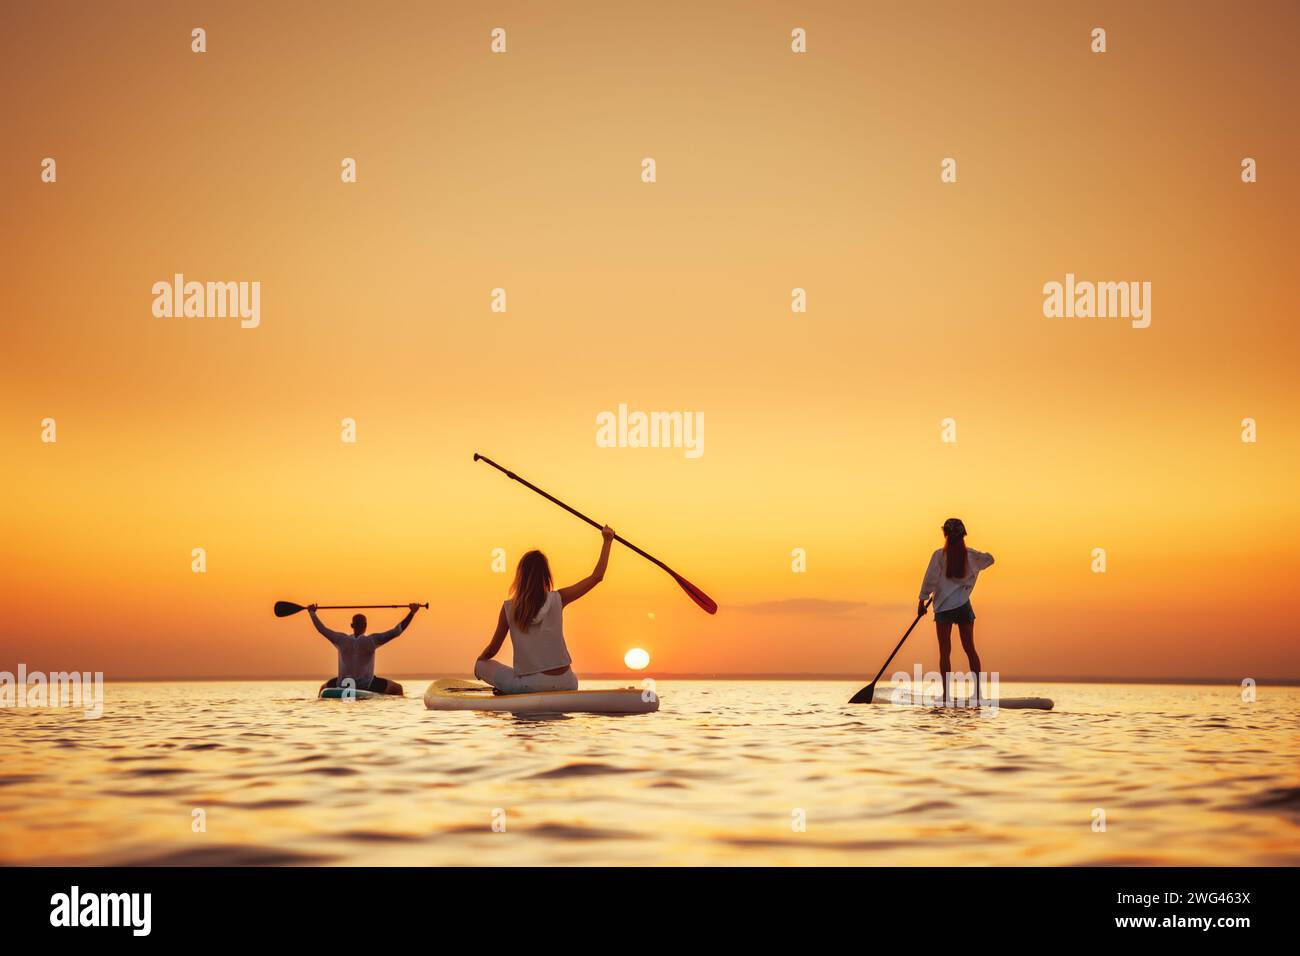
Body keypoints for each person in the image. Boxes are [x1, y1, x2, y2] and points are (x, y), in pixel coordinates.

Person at [475, 524, 615, 694]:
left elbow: (492, 649)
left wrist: (480, 660)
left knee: (481, 665)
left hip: (532, 686)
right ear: (546, 575)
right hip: (567, 682)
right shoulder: (559, 598)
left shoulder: (508, 608)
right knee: (521, 676)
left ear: (521, 576)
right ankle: (513, 687)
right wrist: (607, 541)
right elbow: (597, 577)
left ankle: (508, 688)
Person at [918, 518, 994, 703]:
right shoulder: (971, 556)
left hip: (944, 608)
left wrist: (922, 600)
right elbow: (990, 559)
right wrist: (972, 572)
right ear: (963, 535)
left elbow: (930, 579)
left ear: (945, 535)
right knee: (970, 649)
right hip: (963, 606)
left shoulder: (939, 556)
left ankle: (946, 695)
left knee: (945, 652)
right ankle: (978, 694)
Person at [309, 603, 420, 696]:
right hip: (367, 685)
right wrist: (412, 612)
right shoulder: (372, 640)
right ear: (365, 625)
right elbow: (397, 631)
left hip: (342, 684)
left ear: (351, 625)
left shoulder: (340, 639)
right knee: (398, 688)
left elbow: (321, 629)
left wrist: (312, 613)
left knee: (323, 687)